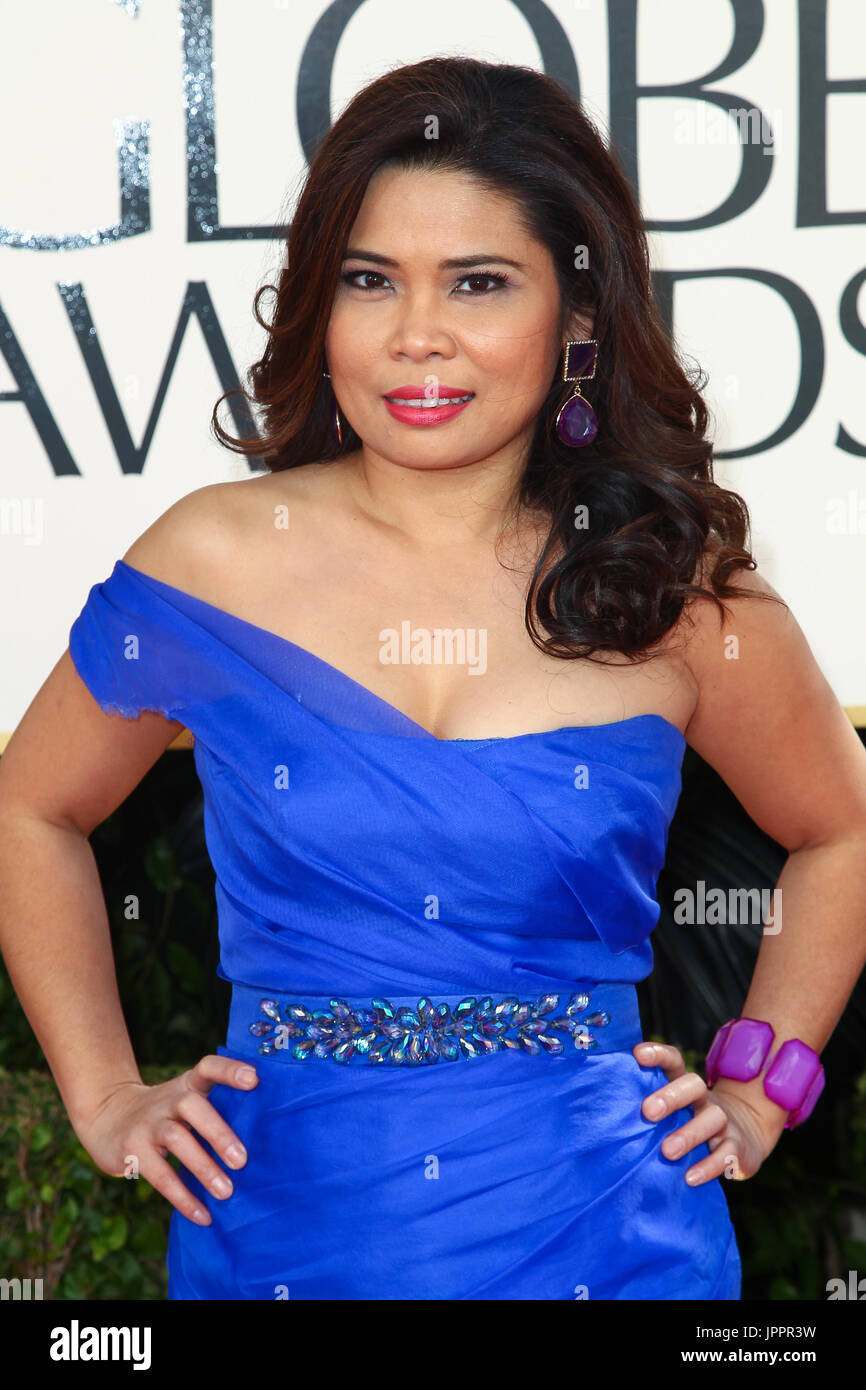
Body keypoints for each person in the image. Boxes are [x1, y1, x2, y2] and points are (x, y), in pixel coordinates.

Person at [3, 56, 866, 1302]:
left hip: (607, 1235)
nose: (417, 334)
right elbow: (32, 807)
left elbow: (837, 826)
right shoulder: (209, 563)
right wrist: (102, 1093)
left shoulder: (667, 589)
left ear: (577, 316)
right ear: (320, 305)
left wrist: (755, 1088)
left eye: (477, 282)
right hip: (287, 1225)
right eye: (369, 280)